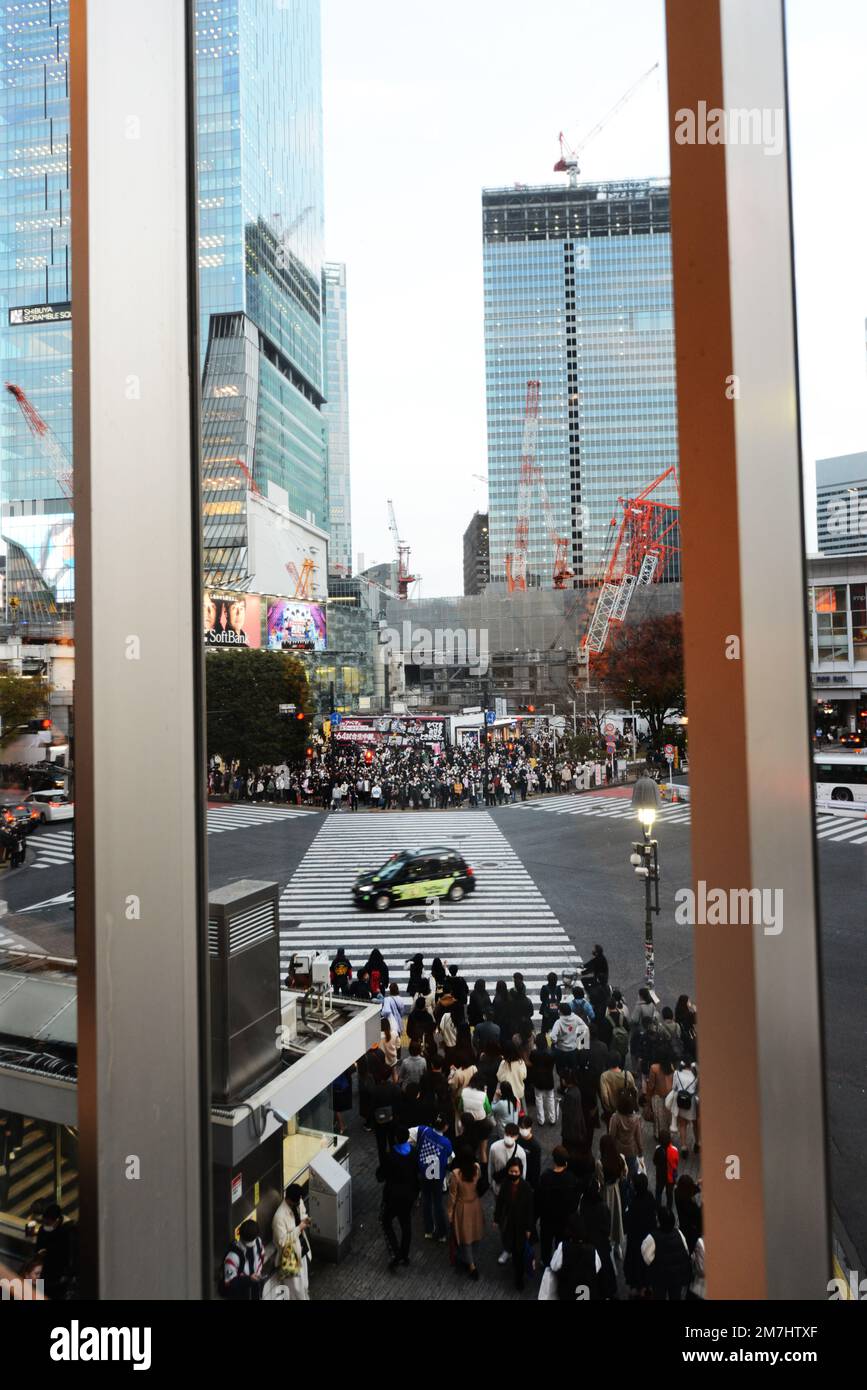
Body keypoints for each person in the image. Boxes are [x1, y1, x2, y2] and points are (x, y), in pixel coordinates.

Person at [377, 1125, 420, 1270]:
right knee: (406, 1224)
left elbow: (380, 1176)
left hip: (393, 1196)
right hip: (409, 1196)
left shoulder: (390, 1156)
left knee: (385, 1221)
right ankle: (404, 1254)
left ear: (395, 1138)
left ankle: (395, 1252)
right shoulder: (414, 1152)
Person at [494, 1156, 535, 1292]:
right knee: (509, 1243)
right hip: (508, 1223)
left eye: (515, 1172)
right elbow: (500, 1203)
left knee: (519, 1253)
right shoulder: (505, 1184)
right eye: (511, 1171)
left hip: (521, 1226)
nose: (513, 1174)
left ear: (520, 1172)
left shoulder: (526, 1188)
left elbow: (530, 1209)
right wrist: (496, 1218)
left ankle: (519, 1278)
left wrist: (529, 1228)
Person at [536, 1145, 580, 1267]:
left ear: (554, 1160)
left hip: (547, 1219)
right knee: (561, 1243)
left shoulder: (545, 1177)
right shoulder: (571, 1179)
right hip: (563, 1220)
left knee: (546, 1243)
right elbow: (574, 1203)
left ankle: (545, 1262)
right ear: (566, 1162)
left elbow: (538, 1199)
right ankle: (559, 1263)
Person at [448, 1148, 485, 1280]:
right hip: (475, 1205)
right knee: (474, 1234)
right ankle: (472, 1260)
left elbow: (453, 1196)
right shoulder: (476, 1169)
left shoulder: (456, 1174)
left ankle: (470, 1265)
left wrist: (450, 1214)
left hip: (462, 1208)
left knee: (465, 1238)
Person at [416, 1115, 453, 1243]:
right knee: (438, 1203)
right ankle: (442, 1233)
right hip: (436, 1175)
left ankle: (428, 1229)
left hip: (423, 1171)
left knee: (426, 1200)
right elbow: (448, 1154)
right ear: (445, 1127)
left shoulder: (425, 1131)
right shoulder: (446, 1142)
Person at [548, 1211, 601, 1301]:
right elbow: (597, 1268)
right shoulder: (592, 1250)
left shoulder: (563, 1247)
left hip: (567, 1293)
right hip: (587, 1294)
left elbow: (554, 1266)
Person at [642, 1207, 692, 1300]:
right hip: (677, 1277)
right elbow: (686, 1250)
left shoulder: (652, 1237)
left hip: (660, 1278)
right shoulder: (679, 1233)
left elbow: (647, 1258)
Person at [272, 1184, 312, 1300]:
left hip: (301, 1248)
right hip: (289, 1255)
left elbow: (303, 1212)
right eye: (296, 1202)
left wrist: (305, 1219)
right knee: (296, 1290)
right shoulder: (279, 1217)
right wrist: (299, 1228)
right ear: (289, 1199)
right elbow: (282, 1241)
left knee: (304, 1285)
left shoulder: (297, 1201)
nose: (299, 1204)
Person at [623, 1172, 657, 1298]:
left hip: (636, 1241)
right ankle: (646, 1286)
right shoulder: (650, 1197)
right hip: (649, 1239)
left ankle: (639, 1288)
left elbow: (627, 1224)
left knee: (636, 1265)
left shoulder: (633, 1204)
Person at [34, 1204, 74, 1301]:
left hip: (57, 1276)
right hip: (43, 1269)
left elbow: (69, 1256)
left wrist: (66, 1275)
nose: (46, 1225)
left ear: (56, 1220)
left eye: (48, 1223)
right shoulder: (42, 1230)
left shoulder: (67, 1233)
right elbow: (38, 1246)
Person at [221, 1218, 265, 1301]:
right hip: (240, 1295)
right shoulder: (233, 1256)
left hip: (256, 1290)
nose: (252, 1243)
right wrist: (249, 1279)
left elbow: (262, 1257)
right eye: (248, 1241)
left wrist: (257, 1275)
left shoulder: (258, 1242)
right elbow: (229, 1283)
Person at [608, 1088, 644, 1173]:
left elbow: (611, 1135)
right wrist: (640, 1151)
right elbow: (638, 1137)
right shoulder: (636, 1119)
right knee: (632, 1170)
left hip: (618, 1148)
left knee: (620, 1170)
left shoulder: (615, 1117)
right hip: (631, 1149)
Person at [667, 1061, 699, 1156]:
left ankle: (684, 1147)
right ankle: (697, 1143)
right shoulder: (695, 1075)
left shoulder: (677, 1073)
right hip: (691, 1102)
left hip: (680, 1102)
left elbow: (674, 1087)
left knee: (682, 1124)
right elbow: (697, 1089)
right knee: (695, 1124)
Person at [488, 1121, 526, 1198]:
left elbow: (523, 1172)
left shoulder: (521, 1152)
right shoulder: (494, 1148)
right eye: (507, 1134)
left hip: (512, 1189)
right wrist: (491, 1182)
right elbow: (491, 1166)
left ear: (516, 1137)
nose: (509, 1137)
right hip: (498, 1188)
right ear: (504, 1133)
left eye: (512, 1136)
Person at [550, 1002, 588, 1079]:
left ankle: (563, 1085)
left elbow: (553, 1037)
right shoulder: (576, 1018)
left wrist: (556, 1042)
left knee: (561, 1071)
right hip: (573, 1049)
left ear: (561, 1012)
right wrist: (580, 1044)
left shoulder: (558, 1022)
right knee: (573, 1069)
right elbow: (585, 1028)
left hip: (561, 1050)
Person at [528, 1038, 558, 1127]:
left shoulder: (533, 1053)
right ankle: (552, 1119)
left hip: (537, 1079)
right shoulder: (551, 1054)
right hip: (549, 1079)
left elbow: (531, 1061)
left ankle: (541, 1120)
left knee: (538, 1098)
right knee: (550, 1098)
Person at [496, 1040, 527, 1108]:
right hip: (519, 1092)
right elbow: (524, 1076)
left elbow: (499, 1077)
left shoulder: (503, 1063)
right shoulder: (521, 1062)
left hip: (506, 1094)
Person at [653, 1129, 679, 1211]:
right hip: (670, 1176)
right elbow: (676, 1162)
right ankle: (669, 1208)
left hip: (660, 1175)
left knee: (658, 1192)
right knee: (669, 1193)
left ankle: (658, 1207)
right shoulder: (674, 1150)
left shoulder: (658, 1150)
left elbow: (655, 1161)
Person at [517, 1117, 542, 1192]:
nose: (523, 1130)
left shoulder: (535, 1146)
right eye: (521, 1127)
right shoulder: (518, 1139)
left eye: (525, 1127)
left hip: (530, 1175)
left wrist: (534, 1183)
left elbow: (536, 1167)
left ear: (530, 1128)